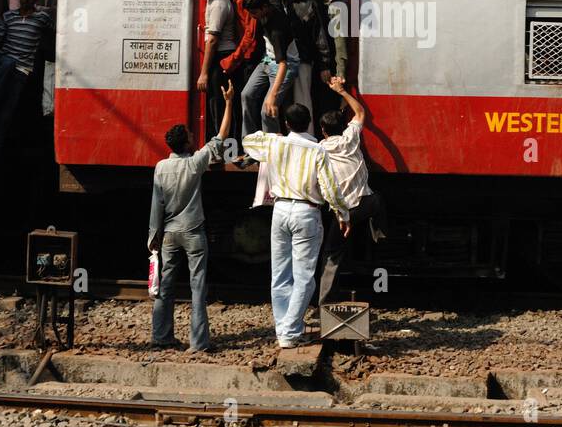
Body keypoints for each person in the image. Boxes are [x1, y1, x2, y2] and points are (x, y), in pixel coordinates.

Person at [242, 103, 349, 349]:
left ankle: (285, 330)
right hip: (306, 211)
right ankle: (290, 333)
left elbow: (249, 141)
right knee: (304, 276)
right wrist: (342, 214)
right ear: (310, 122)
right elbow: (329, 187)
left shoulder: (274, 143)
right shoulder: (318, 150)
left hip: (280, 210)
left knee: (280, 273)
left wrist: (275, 135)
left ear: (287, 124)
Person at [147, 80, 235, 352]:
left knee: (165, 288)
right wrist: (230, 102)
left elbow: (156, 206)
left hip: (170, 234)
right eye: (189, 135)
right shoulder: (196, 163)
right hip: (194, 233)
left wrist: (154, 238)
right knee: (198, 288)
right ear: (186, 143)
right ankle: (198, 343)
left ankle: (161, 337)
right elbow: (221, 137)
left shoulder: (161, 168)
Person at [316, 77, 386, 308]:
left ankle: (325, 300)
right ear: (343, 127)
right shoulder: (351, 138)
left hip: (343, 211)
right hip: (365, 204)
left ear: (323, 131)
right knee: (378, 199)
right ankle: (378, 234)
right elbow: (360, 111)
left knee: (332, 254)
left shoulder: (320, 150)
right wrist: (341, 91)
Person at [0, 0, 54, 175]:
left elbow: (56, 17)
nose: (25, 0)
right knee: (7, 63)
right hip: (4, 62)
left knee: (2, 117)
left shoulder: (41, 18)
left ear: (35, 1)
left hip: (21, 70)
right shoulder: (8, 17)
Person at [266, 0, 333, 118]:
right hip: (281, 58)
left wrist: (325, 65)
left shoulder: (313, 3)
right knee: (279, 101)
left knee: (302, 100)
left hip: (303, 58)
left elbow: (320, 37)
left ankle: (306, 138)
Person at [240, 0, 300, 138]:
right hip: (267, 60)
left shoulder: (276, 30)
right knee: (246, 95)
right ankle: (249, 142)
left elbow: (283, 65)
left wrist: (272, 95)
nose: (252, 17)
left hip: (286, 65)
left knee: (267, 109)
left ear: (264, 8)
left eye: (254, 13)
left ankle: (271, 150)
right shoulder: (271, 0)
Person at [193, 0, 237, 139]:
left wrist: (204, 73)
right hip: (220, 54)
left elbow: (212, 40)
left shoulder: (218, 4)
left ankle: (221, 142)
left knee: (217, 102)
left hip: (221, 55)